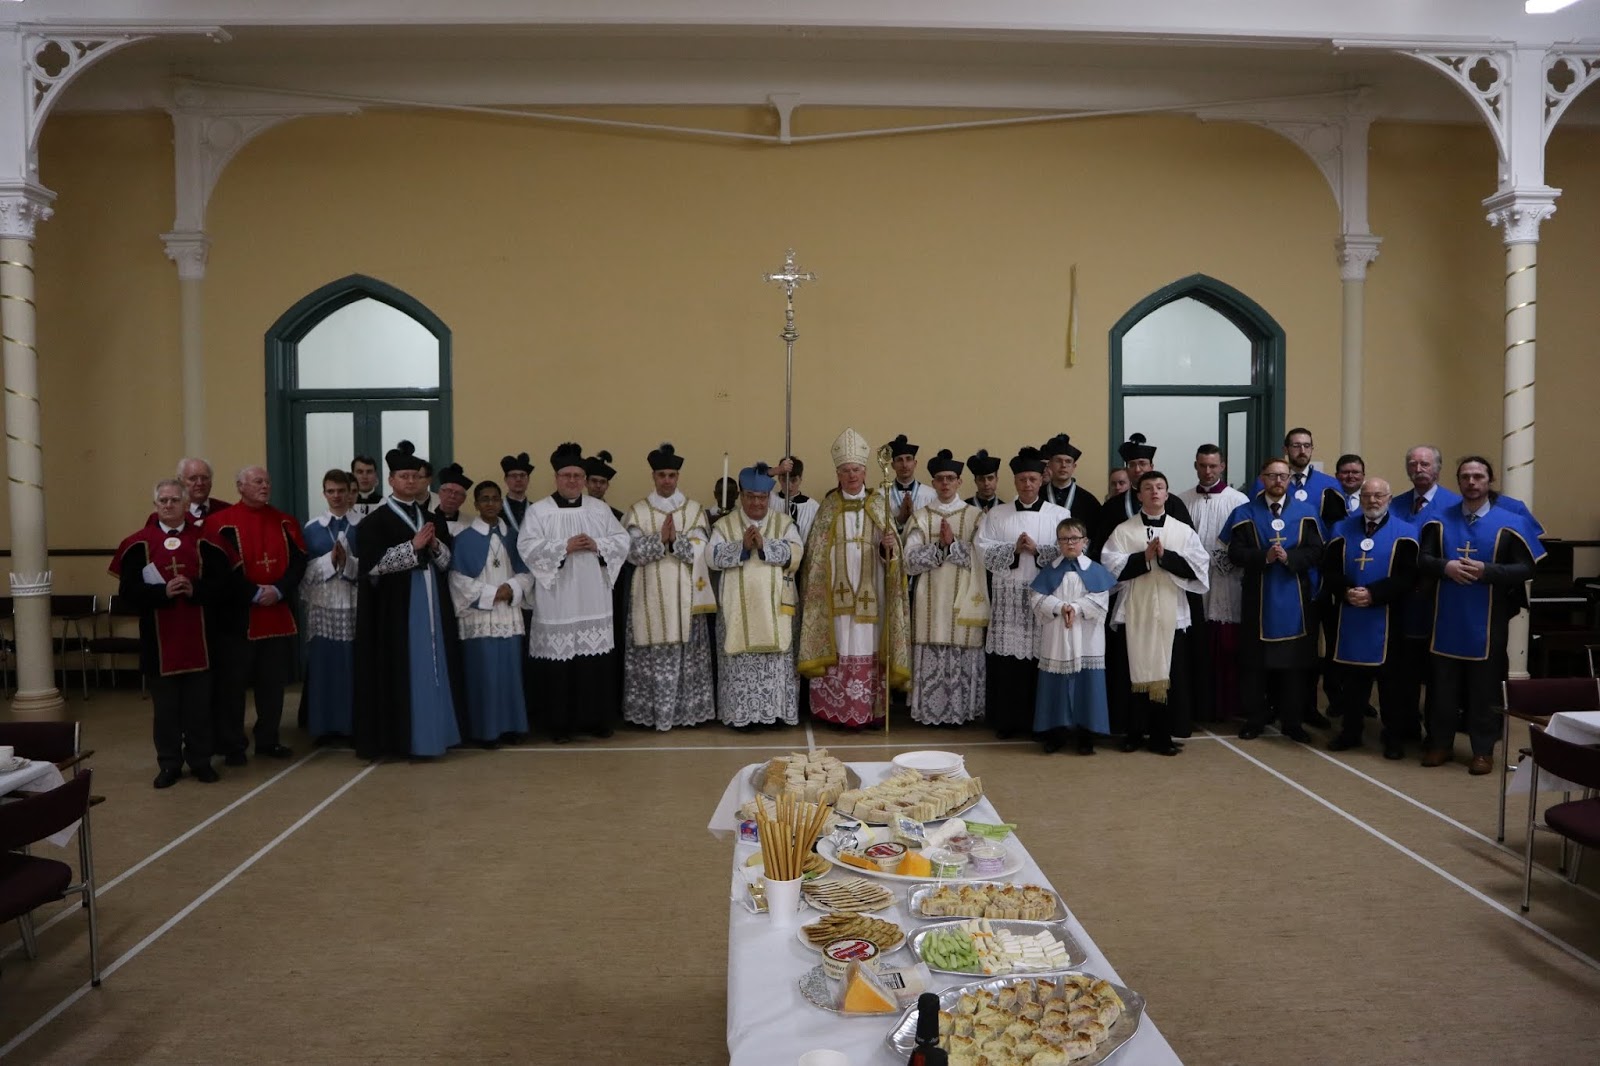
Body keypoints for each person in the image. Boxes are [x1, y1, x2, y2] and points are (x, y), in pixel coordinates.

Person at [1417, 457, 1545, 774]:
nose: (1472, 482)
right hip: (1445, 615)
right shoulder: (1439, 519)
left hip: (1489, 617)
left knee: (1484, 687)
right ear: (1458, 481)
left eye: (1478, 476)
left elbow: (1526, 567)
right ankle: (1440, 743)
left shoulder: (1510, 521)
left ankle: (1483, 750)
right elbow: (1423, 559)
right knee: (1442, 686)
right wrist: (1445, 566)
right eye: (1465, 477)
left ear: (1490, 480)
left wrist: (1487, 571)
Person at [111, 479, 228, 787]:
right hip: (159, 644)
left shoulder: (208, 541)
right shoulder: (137, 544)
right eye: (162, 500)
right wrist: (162, 592)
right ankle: (169, 764)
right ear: (155, 505)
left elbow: (224, 587)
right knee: (166, 711)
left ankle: (201, 761)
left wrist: (195, 588)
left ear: (185, 503)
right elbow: (128, 593)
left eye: (174, 500)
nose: (168, 505)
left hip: (201, 640)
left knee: (199, 708)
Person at [353, 440, 465, 759]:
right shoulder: (375, 521)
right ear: (390, 480)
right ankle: (404, 739)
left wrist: (434, 549)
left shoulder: (434, 518)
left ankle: (438, 733)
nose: (410, 482)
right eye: (403, 476)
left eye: (415, 476)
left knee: (435, 662)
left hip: (432, 600)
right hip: (396, 609)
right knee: (404, 668)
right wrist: (413, 546)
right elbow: (371, 566)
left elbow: (447, 562)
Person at [797, 427, 911, 729]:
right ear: (838, 472)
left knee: (866, 646)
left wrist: (890, 550)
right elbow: (816, 555)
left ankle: (870, 713)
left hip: (872, 594)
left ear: (864, 472)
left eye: (857, 470)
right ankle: (833, 712)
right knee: (841, 646)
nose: (852, 476)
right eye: (846, 470)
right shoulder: (827, 508)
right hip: (834, 599)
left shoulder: (878, 505)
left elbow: (895, 558)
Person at [519, 442, 632, 742]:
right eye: (566, 475)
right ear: (556, 477)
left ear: (584, 478)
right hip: (557, 599)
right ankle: (560, 725)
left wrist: (598, 545)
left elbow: (622, 541)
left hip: (593, 596)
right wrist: (563, 547)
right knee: (561, 665)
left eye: (577, 476)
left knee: (593, 663)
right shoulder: (539, 511)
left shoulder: (599, 509)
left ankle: (595, 720)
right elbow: (527, 548)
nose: (572, 481)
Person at [1100, 471, 1209, 755]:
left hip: (1172, 613)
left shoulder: (1182, 531)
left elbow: (1199, 566)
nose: (1154, 492)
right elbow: (1109, 567)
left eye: (1160, 487)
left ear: (1167, 493)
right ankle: (1133, 732)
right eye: (1148, 488)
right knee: (1131, 670)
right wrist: (1143, 559)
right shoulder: (1124, 531)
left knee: (1170, 671)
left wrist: (1166, 557)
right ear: (1139, 495)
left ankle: (1162, 736)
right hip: (1135, 611)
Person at [207, 466, 308, 763]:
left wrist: (277, 590)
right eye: (257, 482)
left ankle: (268, 739)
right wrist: (251, 593)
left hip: (276, 613)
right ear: (240, 486)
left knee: (272, 685)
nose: (265, 486)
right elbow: (219, 571)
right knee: (233, 687)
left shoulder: (285, 522)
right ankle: (233, 744)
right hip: (238, 618)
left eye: (267, 481)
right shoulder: (220, 524)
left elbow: (299, 563)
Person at [1224, 458, 1325, 742]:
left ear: (1290, 479)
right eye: (1272, 476)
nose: (1278, 481)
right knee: (1254, 666)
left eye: (1283, 476)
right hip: (1258, 599)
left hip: (1296, 601)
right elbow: (1235, 554)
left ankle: (1292, 722)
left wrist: (1290, 557)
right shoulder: (1244, 513)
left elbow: (1317, 552)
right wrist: (1263, 557)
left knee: (1294, 667)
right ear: (1262, 478)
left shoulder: (1307, 513)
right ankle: (1255, 719)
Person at [621, 443, 717, 731]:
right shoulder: (638, 511)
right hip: (649, 597)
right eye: (661, 475)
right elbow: (630, 552)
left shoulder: (693, 510)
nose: (666, 480)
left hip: (686, 598)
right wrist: (658, 540)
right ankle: (652, 714)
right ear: (653, 476)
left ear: (678, 477)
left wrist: (676, 542)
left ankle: (686, 713)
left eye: (671, 475)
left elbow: (703, 550)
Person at [975, 446, 1067, 738]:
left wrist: (1038, 550)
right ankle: (1008, 722)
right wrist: (1013, 549)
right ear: (1014, 482)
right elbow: (982, 548)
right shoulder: (997, 514)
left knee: (1041, 658)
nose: (1027, 484)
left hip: (1043, 595)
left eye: (1032, 479)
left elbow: (1072, 548)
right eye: (1022, 479)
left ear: (1042, 480)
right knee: (1009, 663)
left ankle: (1040, 721)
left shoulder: (1059, 514)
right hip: (1009, 597)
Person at [1323, 478, 1419, 756]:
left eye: (1379, 496)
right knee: (1352, 683)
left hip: (1388, 619)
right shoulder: (1341, 530)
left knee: (1391, 686)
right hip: (1350, 617)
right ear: (1360, 499)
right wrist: (1346, 591)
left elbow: (1408, 577)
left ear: (1389, 499)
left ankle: (1393, 738)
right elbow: (1328, 571)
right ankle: (1350, 732)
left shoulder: (1406, 533)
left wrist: (1374, 594)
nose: (1373, 501)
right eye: (1367, 496)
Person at [708, 462, 806, 728]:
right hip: (737, 608)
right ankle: (741, 716)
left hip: (774, 608)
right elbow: (711, 557)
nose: (756, 503)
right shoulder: (726, 525)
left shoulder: (783, 523)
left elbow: (797, 554)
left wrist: (766, 545)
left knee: (775, 660)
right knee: (739, 661)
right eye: (750, 496)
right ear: (741, 496)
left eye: (762, 497)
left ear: (768, 497)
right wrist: (741, 547)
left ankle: (775, 714)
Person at [903, 449, 989, 726]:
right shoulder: (921, 517)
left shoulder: (976, 517)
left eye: (950, 478)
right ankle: (930, 711)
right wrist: (940, 546)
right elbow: (909, 561)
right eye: (939, 479)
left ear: (959, 482)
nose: (945, 484)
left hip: (965, 598)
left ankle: (962, 712)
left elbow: (982, 559)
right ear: (933, 482)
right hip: (930, 600)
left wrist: (951, 544)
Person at [448, 480, 534, 746]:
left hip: (507, 615)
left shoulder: (514, 536)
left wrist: (512, 588)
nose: (490, 503)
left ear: (500, 502)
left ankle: (512, 727)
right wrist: (492, 594)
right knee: (482, 673)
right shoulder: (464, 539)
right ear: (476, 504)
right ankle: (486, 732)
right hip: (481, 617)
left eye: (495, 498)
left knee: (510, 672)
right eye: (484, 499)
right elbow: (457, 579)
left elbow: (528, 573)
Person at [1388, 444, 1460, 746]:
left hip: (1439, 602)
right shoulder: (1395, 504)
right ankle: (1404, 727)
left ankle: (1437, 734)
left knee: (1438, 676)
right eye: (1413, 464)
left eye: (1425, 464)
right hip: (1402, 601)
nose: (1419, 469)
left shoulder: (1454, 505)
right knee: (1402, 670)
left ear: (1437, 469)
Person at [1176, 444, 1249, 723]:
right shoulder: (1181, 501)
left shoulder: (1238, 501)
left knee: (1226, 648)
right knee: (1196, 646)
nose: (1208, 471)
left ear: (1223, 466)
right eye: (1202, 465)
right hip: (1192, 584)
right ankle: (1197, 706)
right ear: (1195, 466)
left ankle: (1226, 708)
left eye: (1213, 466)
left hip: (1226, 584)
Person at [1030, 518, 1115, 754]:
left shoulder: (1095, 571)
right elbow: (1036, 599)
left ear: (1085, 542)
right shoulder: (1050, 570)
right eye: (1064, 539)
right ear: (1058, 542)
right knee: (1055, 685)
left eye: (1075, 539)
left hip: (1087, 637)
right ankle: (1056, 734)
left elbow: (1101, 600)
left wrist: (1075, 608)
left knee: (1088, 684)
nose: (1070, 543)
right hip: (1057, 635)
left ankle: (1086, 735)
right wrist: (1060, 607)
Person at [298, 469, 360, 744]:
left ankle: (352, 726)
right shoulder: (312, 527)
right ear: (324, 494)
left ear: (350, 492)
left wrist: (348, 562)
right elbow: (303, 570)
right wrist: (329, 561)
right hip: (324, 605)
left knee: (351, 664)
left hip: (353, 602)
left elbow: (373, 566)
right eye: (330, 491)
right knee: (324, 665)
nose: (336, 496)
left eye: (341, 491)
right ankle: (323, 727)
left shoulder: (363, 524)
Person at [1253, 428, 1343, 519]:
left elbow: (1337, 525)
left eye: (1307, 446)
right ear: (1285, 450)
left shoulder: (1330, 486)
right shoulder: (1264, 483)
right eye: (1296, 446)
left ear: (1312, 449)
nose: (1302, 451)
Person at [1040, 433, 1101, 531]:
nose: (1063, 465)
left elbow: (1095, 535)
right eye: (1058, 461)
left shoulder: (1089, 501)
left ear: (1074, 467)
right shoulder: (1037, 496)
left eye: (1068, 461)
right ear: (1050, 464)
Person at [886, 434, 937, 530]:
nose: (904, 465)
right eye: (900, 460)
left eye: (908, 459)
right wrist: (899, 519)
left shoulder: (931, 495)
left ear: (915, 463)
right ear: (893, 465)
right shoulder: (882, 495)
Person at [775, 455, 820, 543]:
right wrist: (776, 470)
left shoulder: (812, 507)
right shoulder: (770, 500)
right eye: (785, 480)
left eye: (794, 480)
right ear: (779, 478)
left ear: (800, 479)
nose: (789, 485)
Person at [176, 457, 231, 527]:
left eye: (205, 478)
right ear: (180, 482)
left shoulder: (226, 511)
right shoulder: (173, 514)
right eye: (193, 478)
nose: (200, 483)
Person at [433, 463, 472, 540]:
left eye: (458, 493)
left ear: (463, 499)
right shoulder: (426, 517)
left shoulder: (471, 524)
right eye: (449, 491)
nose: (452, 496)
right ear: (440, 493)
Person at [500, 452, 534, 533]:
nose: (518, 479)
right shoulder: (497, 510)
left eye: (522, 475)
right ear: (506, 479)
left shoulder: (536, 509)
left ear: (528, 479)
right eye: (513, 476)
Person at [1332, 454, 1365, 519]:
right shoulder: (1329, 498)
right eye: (1345, 472)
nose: (1350, 476)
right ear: (1337, 475)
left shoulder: (1371, 499)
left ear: (1363, 475)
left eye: (1355, 472)